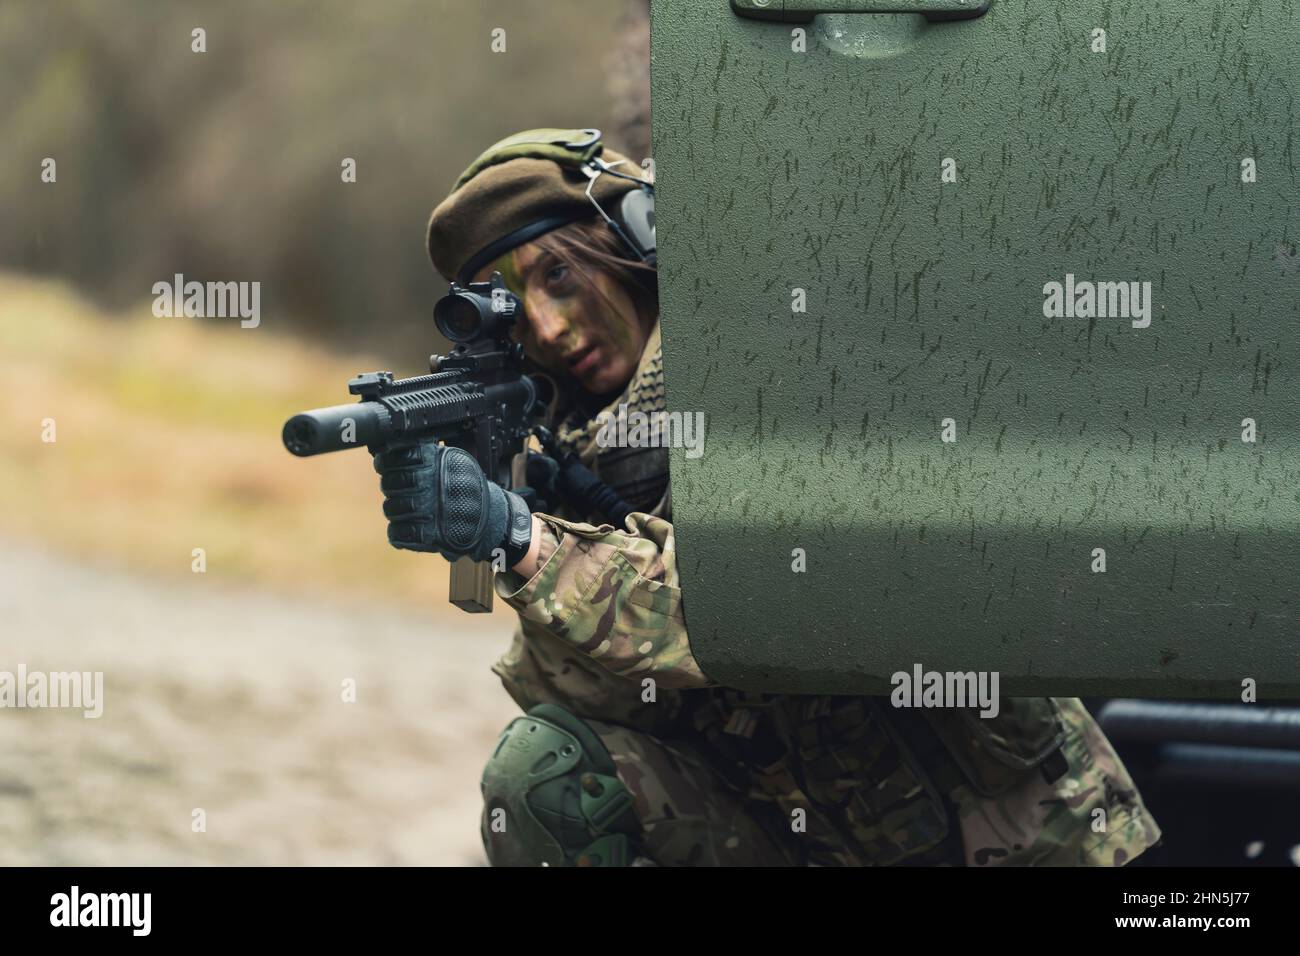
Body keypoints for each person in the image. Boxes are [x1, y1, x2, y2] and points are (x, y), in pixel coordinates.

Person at [374, 128, 1162, 866]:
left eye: (558, 274)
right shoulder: (573, 446)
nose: (545, 329)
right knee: (543, 775)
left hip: (1008, 835)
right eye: (512, 305)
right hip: (808, 833)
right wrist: (512, 522)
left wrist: (529, 544)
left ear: (634, 240)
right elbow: (615, 707)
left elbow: (766, 605)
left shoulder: (778, 364)